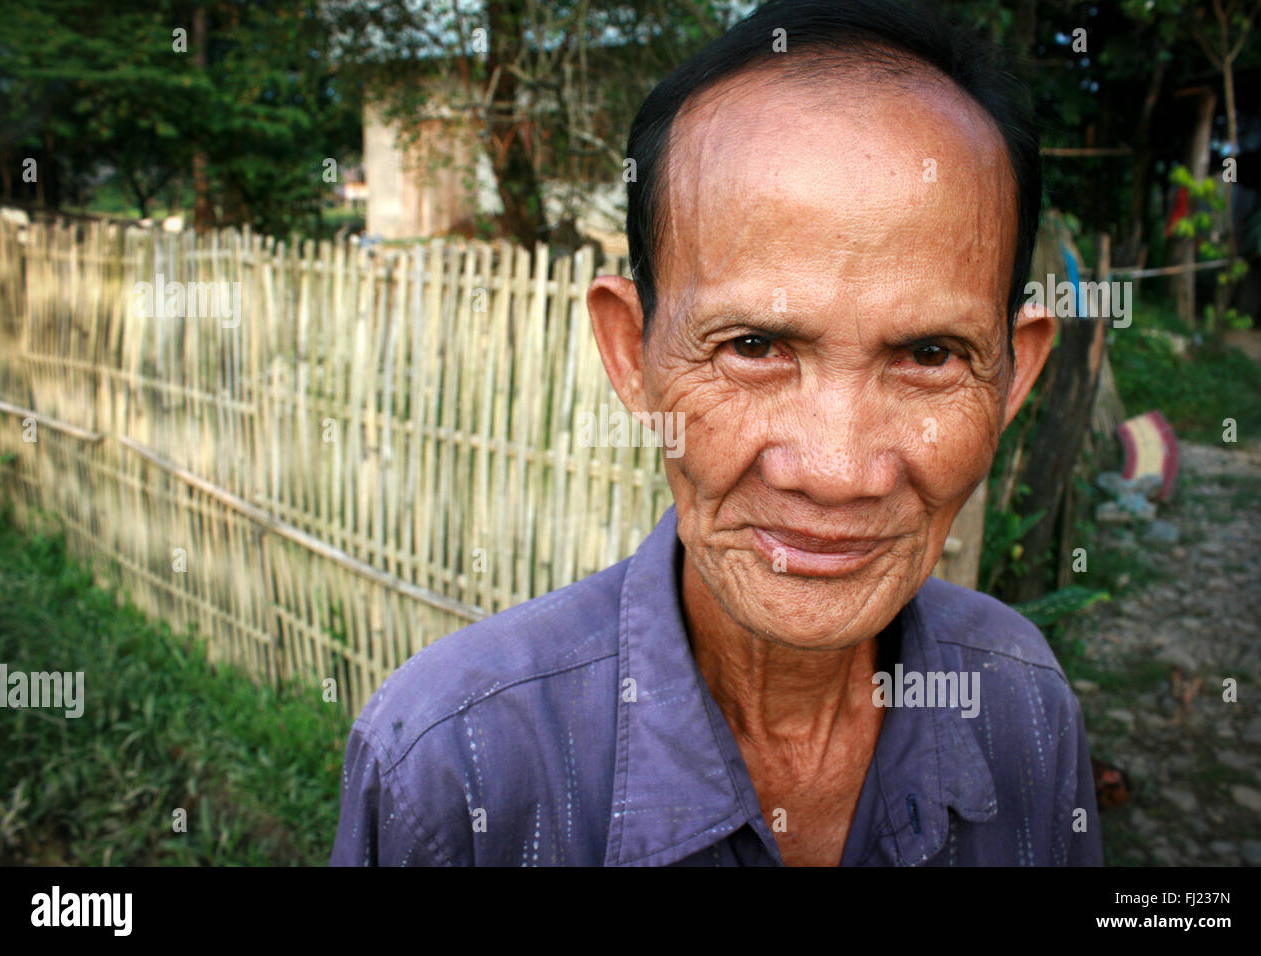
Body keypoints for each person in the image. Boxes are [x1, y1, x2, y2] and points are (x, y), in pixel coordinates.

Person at [330, 0, 1102, 867]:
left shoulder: (1021, 700)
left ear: (1012, 378)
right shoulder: (452, 768)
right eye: (754, 346)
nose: (837, 471)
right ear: (631, 353)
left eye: (930, 353)